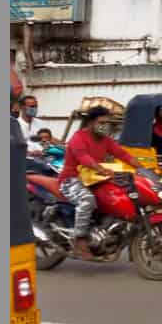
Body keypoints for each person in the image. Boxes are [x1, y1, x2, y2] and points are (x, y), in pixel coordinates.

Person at [59, 106, 145, 258]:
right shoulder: (78, 137)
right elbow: (83, 158)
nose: (105, 126)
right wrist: (100, 168)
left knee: (118, 196)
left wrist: (144, 169)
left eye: (108, 123)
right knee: (87, 199)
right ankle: (80, 241)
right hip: (71, 179)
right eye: (101, 122)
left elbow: (123, 154)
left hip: (95, 179)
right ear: (91, 122)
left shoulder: (106, 140)